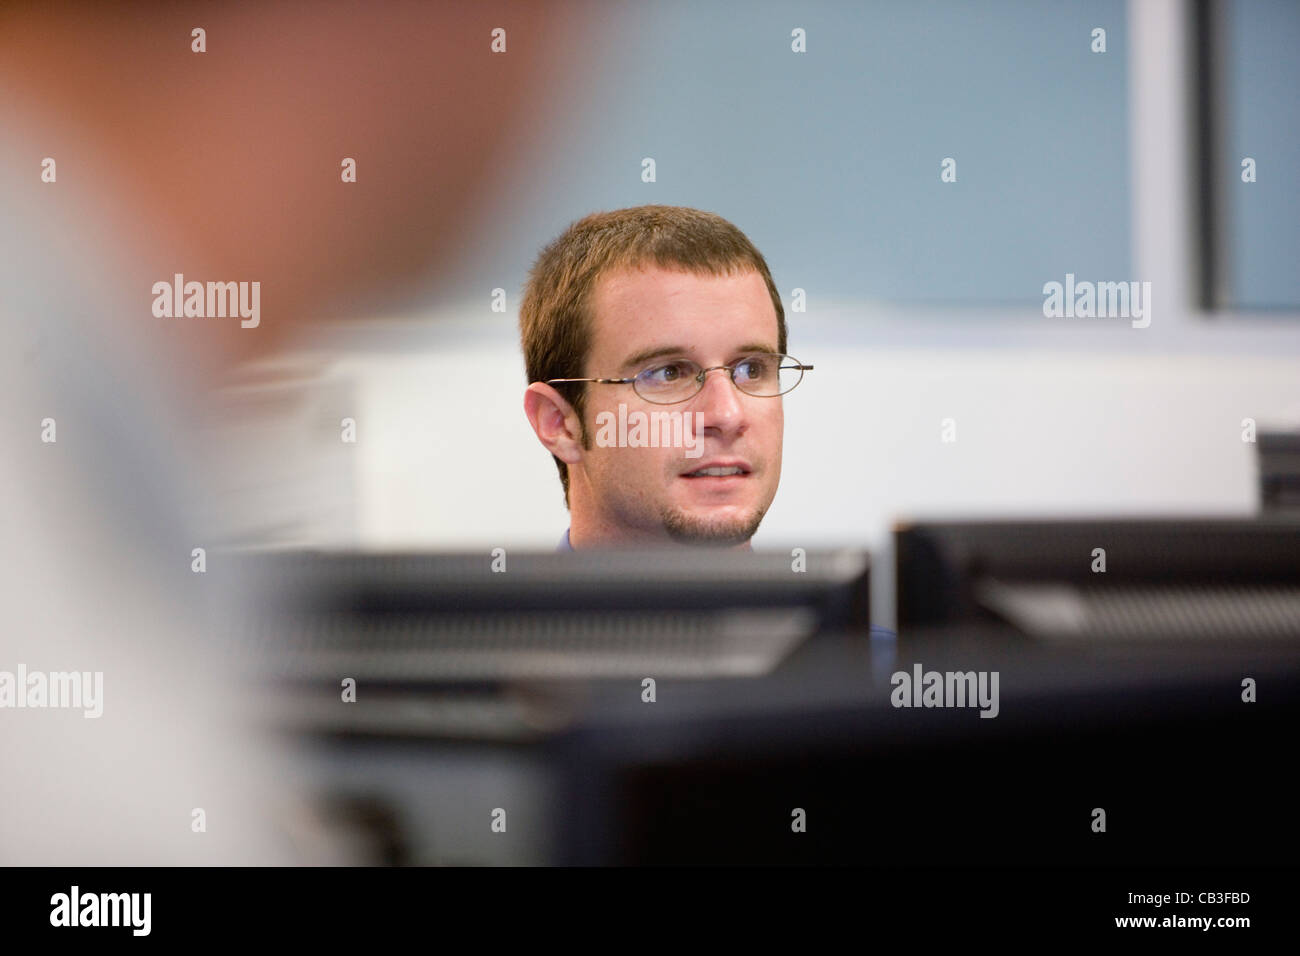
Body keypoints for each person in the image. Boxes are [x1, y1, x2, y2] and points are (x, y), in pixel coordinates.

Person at [520, 205, 812, 550]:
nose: (728, 415)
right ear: (560, 424)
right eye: (668, 373)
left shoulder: (859, 604)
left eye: (750, 370)